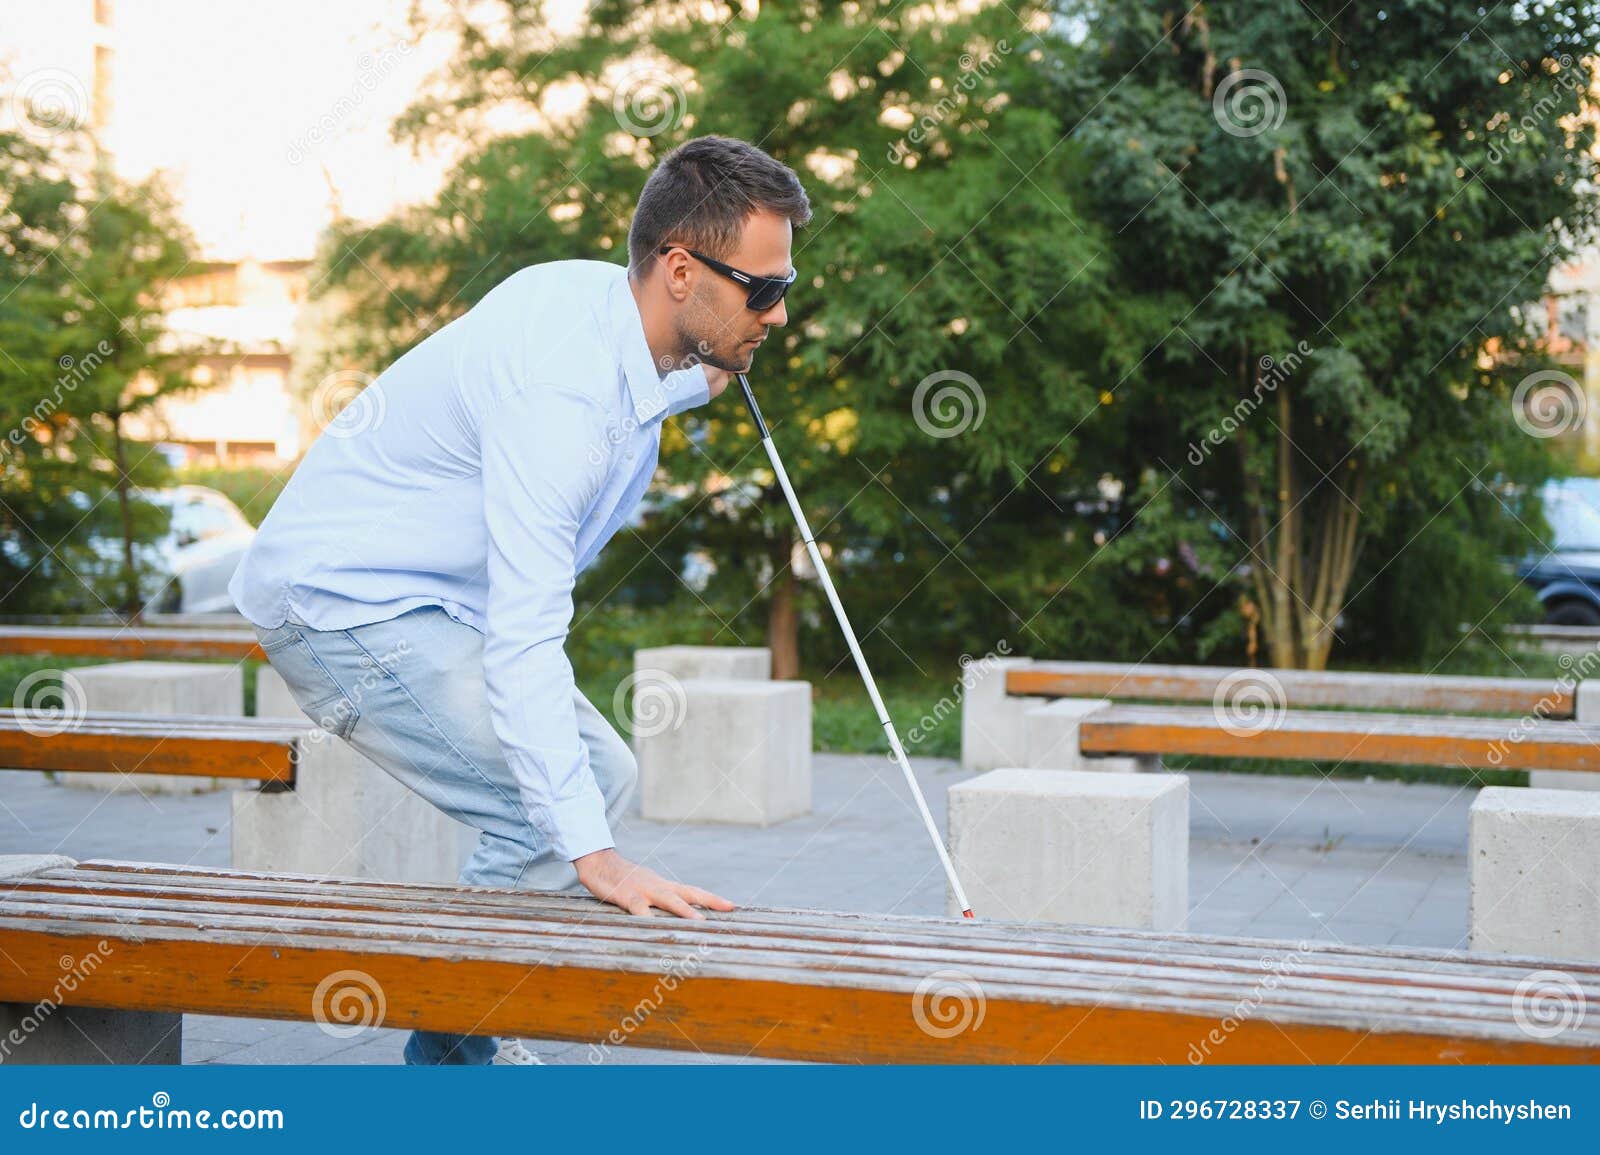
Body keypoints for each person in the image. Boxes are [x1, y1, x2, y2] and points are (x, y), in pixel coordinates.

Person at [228, 134, 812, 1065]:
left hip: (417, 600)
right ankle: (460, 1068)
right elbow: (528, 637)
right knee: (553, 813)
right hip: (338, 603)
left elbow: (646, 385)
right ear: (678, 270)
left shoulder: (604, 306)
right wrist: (598, 858)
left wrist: (708, 372)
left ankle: (466, 1039)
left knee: (599, 778)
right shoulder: (560, 401)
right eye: (765, 290)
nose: (779, 316)